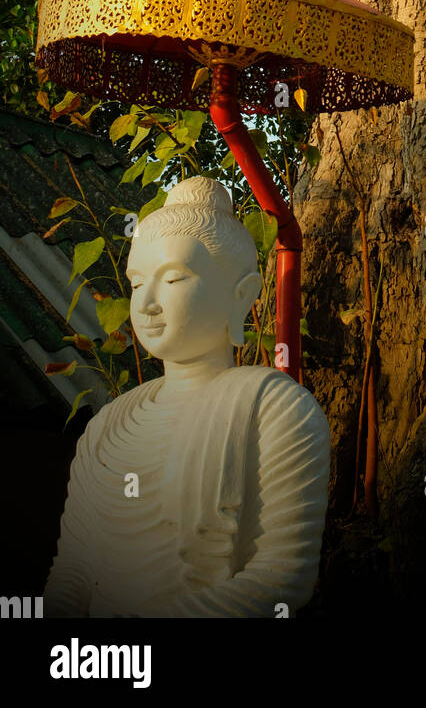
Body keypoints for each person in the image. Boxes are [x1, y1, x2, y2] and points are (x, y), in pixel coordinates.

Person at [44, 177, 330, 618]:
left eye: (173, 278)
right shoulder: (107, 425)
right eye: (138, 284)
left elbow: (281, 581)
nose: (147, 304)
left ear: (242, 295)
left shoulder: (275, 409)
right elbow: (73, 570)